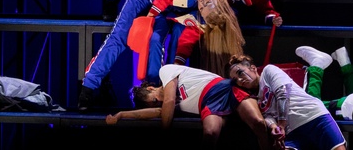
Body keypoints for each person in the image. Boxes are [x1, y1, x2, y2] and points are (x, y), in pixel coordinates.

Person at [79, 0, 244, 109]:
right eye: (206, 3)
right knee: (119, 37)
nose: (201, 3)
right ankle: (88, 88)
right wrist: (150, 16)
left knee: (158, 40)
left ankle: (157, 87)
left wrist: (177, 66)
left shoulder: (203, 17)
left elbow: (186, 39)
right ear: (220, 1)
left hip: (167, 10)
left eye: (202, 8)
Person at [107, 64, 278, 150]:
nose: (157, 102)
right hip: (208, 103)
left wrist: (165, 134)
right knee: (210, 133)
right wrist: (121, 115)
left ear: (151, 88)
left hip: (221, 88)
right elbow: (160, 110)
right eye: (154, 103)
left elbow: (168, 102)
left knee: (258, 124)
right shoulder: (167, 104)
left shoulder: (166, 72)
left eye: (153, 99)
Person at [229, 54, 347, 150]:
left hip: (313, 117)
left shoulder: (268, 71)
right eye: (235, 80)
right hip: (292, 131)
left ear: (253, 68)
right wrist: (274, 127)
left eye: (240, 73)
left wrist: (281, 124)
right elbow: (268, 116)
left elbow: (282, 93)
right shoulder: (254, 98)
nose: (240, 80)